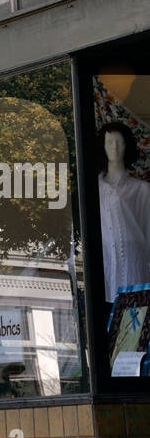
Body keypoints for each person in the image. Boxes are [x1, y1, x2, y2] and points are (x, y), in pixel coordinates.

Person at [97, 122, 150, 305]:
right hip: (104, 275)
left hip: (134, 271)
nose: (115, 147)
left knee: (133, 329)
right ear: (102, 146)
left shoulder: (142, 190)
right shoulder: (94, 191)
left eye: (119, 142)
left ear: (127, 146)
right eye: (109, 142)